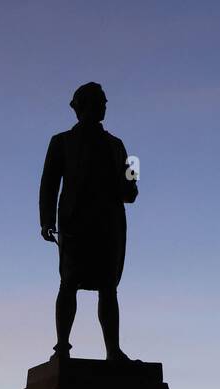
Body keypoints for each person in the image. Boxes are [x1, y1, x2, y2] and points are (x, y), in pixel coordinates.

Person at [39, 82, 138, 360]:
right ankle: (62, 347)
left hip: (108, 224)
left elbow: (129, 190)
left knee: (109, 286)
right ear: (81, 106)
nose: (104, 105)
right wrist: (46, 220)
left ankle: (113, 350)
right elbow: (49, 183)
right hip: (75, 222)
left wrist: (129, 180)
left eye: (105, 101)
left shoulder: (116, 145)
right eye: (99, 101)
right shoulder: (61, 142)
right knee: (69, 282)